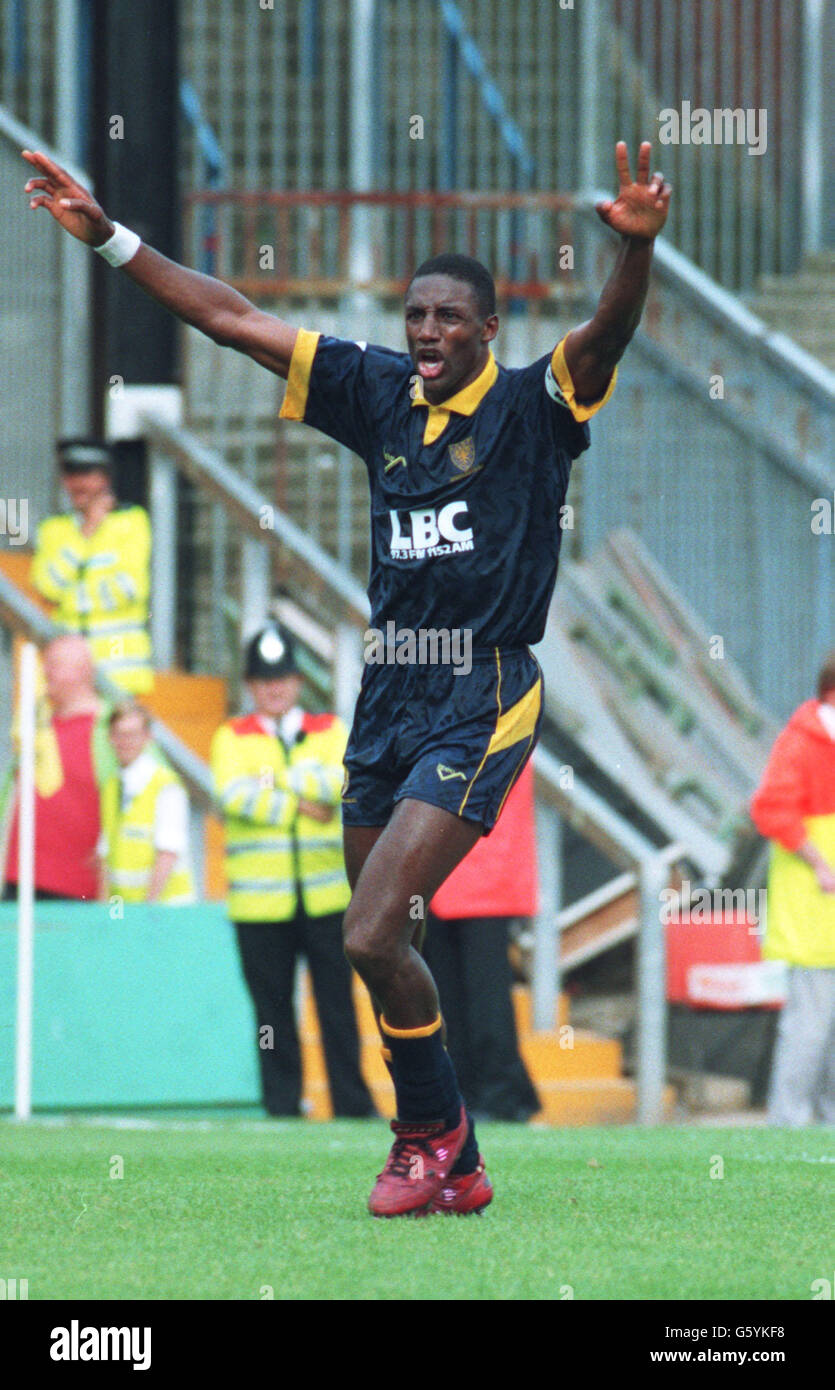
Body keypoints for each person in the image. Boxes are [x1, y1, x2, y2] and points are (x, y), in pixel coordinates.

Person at [23, 139, 671, 1214]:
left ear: (486, 329)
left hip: (482, 691)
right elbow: (232, 318)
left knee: (371, 929)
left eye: (447, 318)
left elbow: (602, 340)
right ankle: (455, 1162)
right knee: (382, 940)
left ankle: (427, 1135)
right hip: (387, 696)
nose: (424, 331)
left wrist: (634, 256)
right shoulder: (378, 394)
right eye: (414, 314)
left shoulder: (530, 408)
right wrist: (112, 238)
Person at [210, 623, 375, 1119]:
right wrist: (300, 801)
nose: (274, 688)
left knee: (338, 1007)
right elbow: (231, 795)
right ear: (250, 686)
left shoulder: (330, 729)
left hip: (326, 898)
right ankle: (282, 1104)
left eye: (281, 677)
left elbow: (342, 779)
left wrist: (276, 785)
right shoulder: (230, 736)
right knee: (271, 1010)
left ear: (299, 681)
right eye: (264, 680)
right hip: (261, 905)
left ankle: (351, 1103)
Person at [423, 760, 540, 1125]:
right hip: (441, 879)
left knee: (484, 999)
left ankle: (500, 1094)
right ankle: (491, 1094)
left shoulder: (502, 721)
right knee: (451, 999)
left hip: (484, 881)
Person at [750, 654, 835, 1126]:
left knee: (824, 1026)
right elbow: (771, 809)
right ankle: (788, 1122)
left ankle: (822, 1122)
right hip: (814, 908)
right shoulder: (802, 741)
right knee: (811, 1025)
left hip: (823, 907)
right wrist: (821, 865)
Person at [30, 438, 153, 694]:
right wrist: (87, 532)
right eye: (70, 474)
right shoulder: (53, 528)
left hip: (121, 674)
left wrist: (71, 598)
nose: (77, 483)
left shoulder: (131, 521)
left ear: (105, 478)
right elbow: (48, 587)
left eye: (86, 474)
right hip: (70, 676)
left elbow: (129, 589)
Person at [2, 635, 116, 901]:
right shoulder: (34, 726)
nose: (45, 672)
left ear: (82, 670)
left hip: (78, 886)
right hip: (17, 877)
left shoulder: (111, 729)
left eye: (54, 664)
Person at [98, 703, 195, 905]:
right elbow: (106, 856)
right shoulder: (111, 787)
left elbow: (167, 854)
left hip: (164, 910)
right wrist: (107, 913)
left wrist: (146, 910)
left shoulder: (166, 786)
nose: (124, 742)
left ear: (147, 737)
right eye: (118, 734)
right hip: (126, 910)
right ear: (110, 737)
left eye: (132, 734)